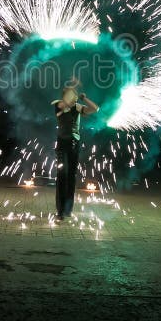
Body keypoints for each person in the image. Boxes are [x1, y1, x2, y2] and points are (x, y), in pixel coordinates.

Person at [50, 78, 99, 222]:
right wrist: (74, 86)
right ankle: (60, 211)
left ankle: (68, 209)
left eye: (75, 96)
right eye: (72, 95)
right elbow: (64, 103)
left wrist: (85, 98)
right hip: (62, 144)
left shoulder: (77, 107)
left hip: (74, 144)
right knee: (62, 175)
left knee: (71, 176)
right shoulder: (58, 104)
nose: (74, 97)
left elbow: (95, 108)